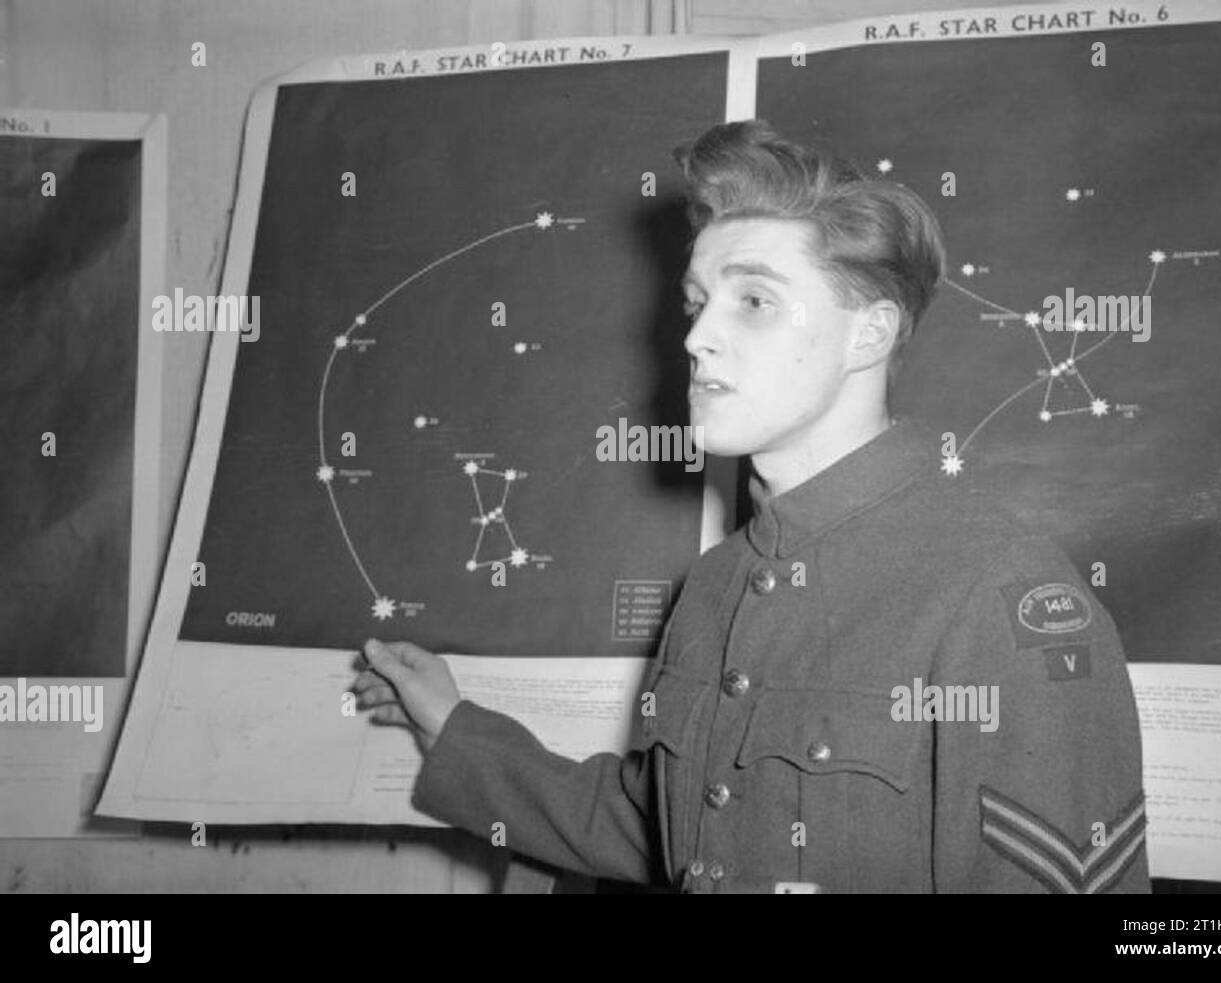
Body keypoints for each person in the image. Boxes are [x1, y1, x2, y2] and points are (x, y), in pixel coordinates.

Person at [352, 119, 1149, 894]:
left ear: (867, 335)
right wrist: (453, 729)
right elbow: (661, 831)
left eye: (754, 302)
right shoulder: (717, 584)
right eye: (698, 302)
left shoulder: (998, 593)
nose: (697, 337)